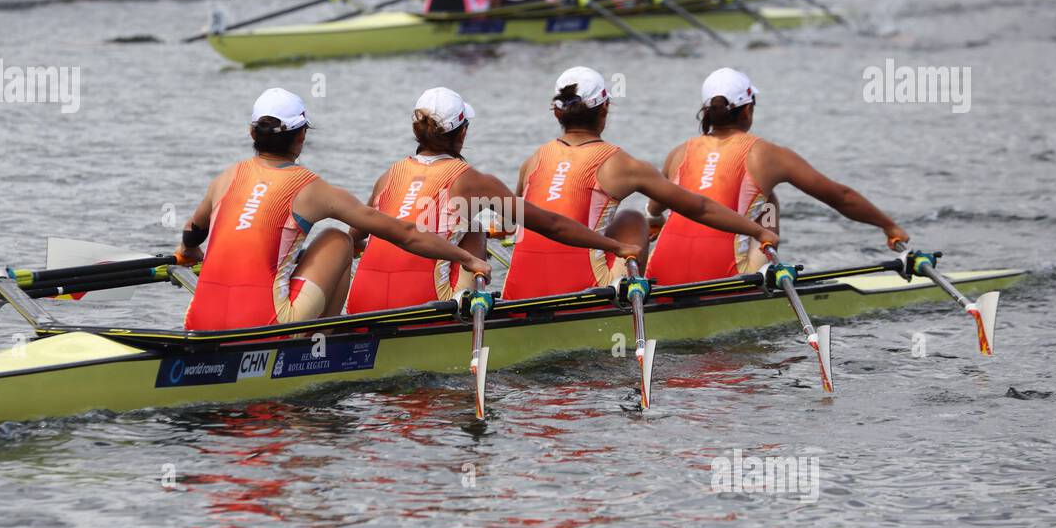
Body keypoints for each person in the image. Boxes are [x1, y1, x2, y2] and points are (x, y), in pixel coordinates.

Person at [176, 88, 491, 331]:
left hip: (198, 323)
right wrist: (468, 258)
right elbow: (406, 234)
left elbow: (194, 229)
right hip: (270, 322)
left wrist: (187, 252)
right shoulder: (312, 189)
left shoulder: (225, 178)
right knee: (338, 240)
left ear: (251, 133)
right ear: (301, 136)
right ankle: (324, 344)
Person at [346, 87, 640, 313]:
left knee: (469, 226)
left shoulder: (389, 174)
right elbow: (552, 225)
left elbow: (355, 238)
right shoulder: (473, 181)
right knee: (474, 230)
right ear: (462, 132)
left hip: (362, 303)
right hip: (423, 303)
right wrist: (616, 246)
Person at [501, 66, 778, 299]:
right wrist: (759, 231)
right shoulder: (624, 165)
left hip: (518, 295)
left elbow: (513, 225)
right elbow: (700, 208)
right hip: (585, 292)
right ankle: (632, 300)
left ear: (556, 112)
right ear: (605, 108)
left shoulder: (533, 160)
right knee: (633, 219)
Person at [646, 68, 910, 285]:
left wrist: (657, 219)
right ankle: (760, 282)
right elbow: (839, 196)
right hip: (724, 277)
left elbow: (654, 207)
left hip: (660, 275)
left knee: (756, 197)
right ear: (747, 110)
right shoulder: (767, 154)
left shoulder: (678, 153)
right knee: (767, 201)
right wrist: (889, 226)